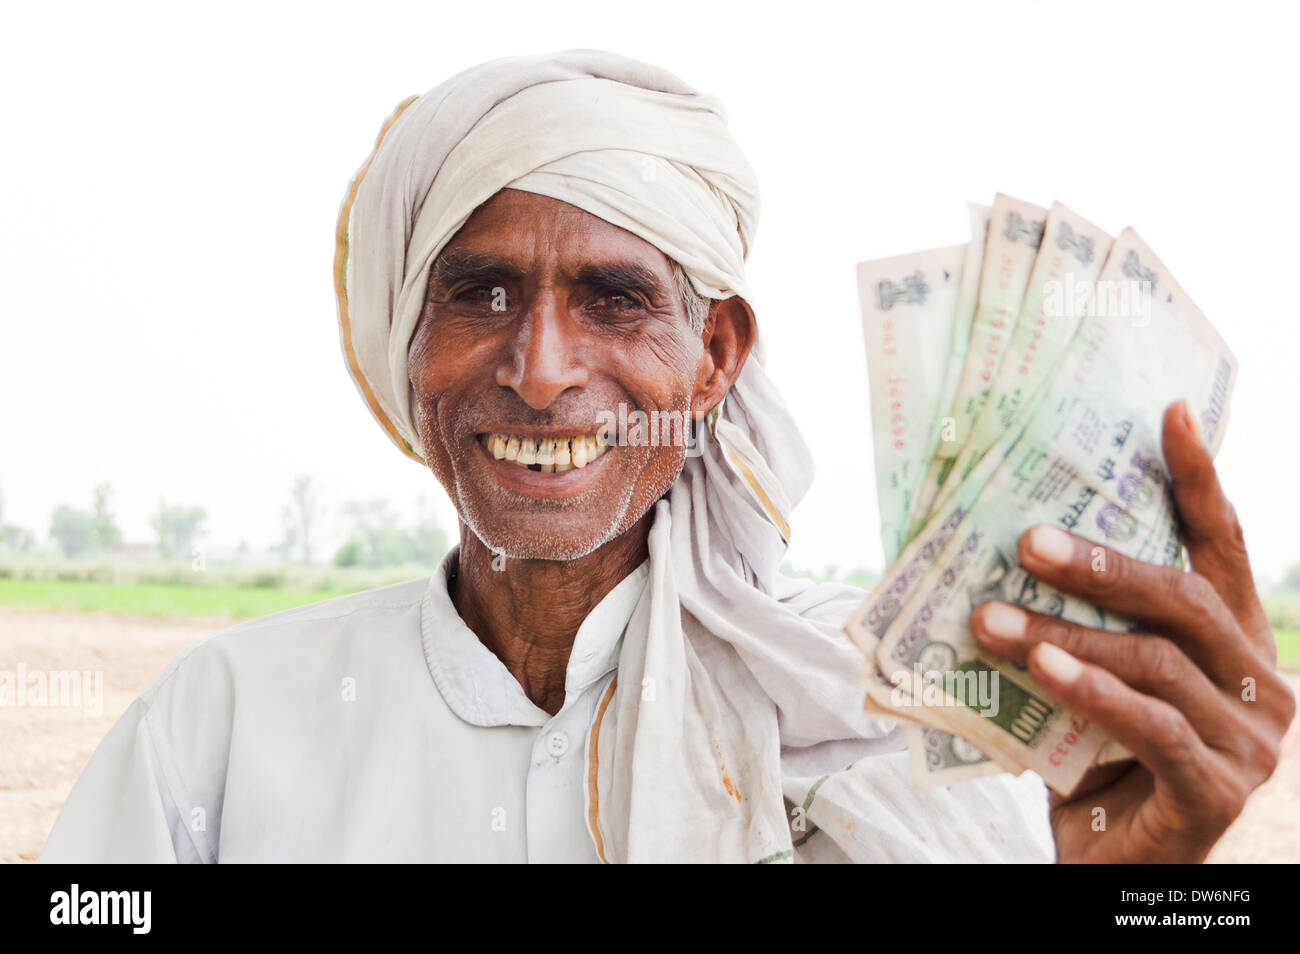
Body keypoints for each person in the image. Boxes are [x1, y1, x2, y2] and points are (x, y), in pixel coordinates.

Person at [41, 49, 1291, 863]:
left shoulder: (894, 728)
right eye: (476, 293)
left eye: (612, 298)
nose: (538, 368)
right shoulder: (226, 719)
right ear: (402, 343)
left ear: (715, 358)